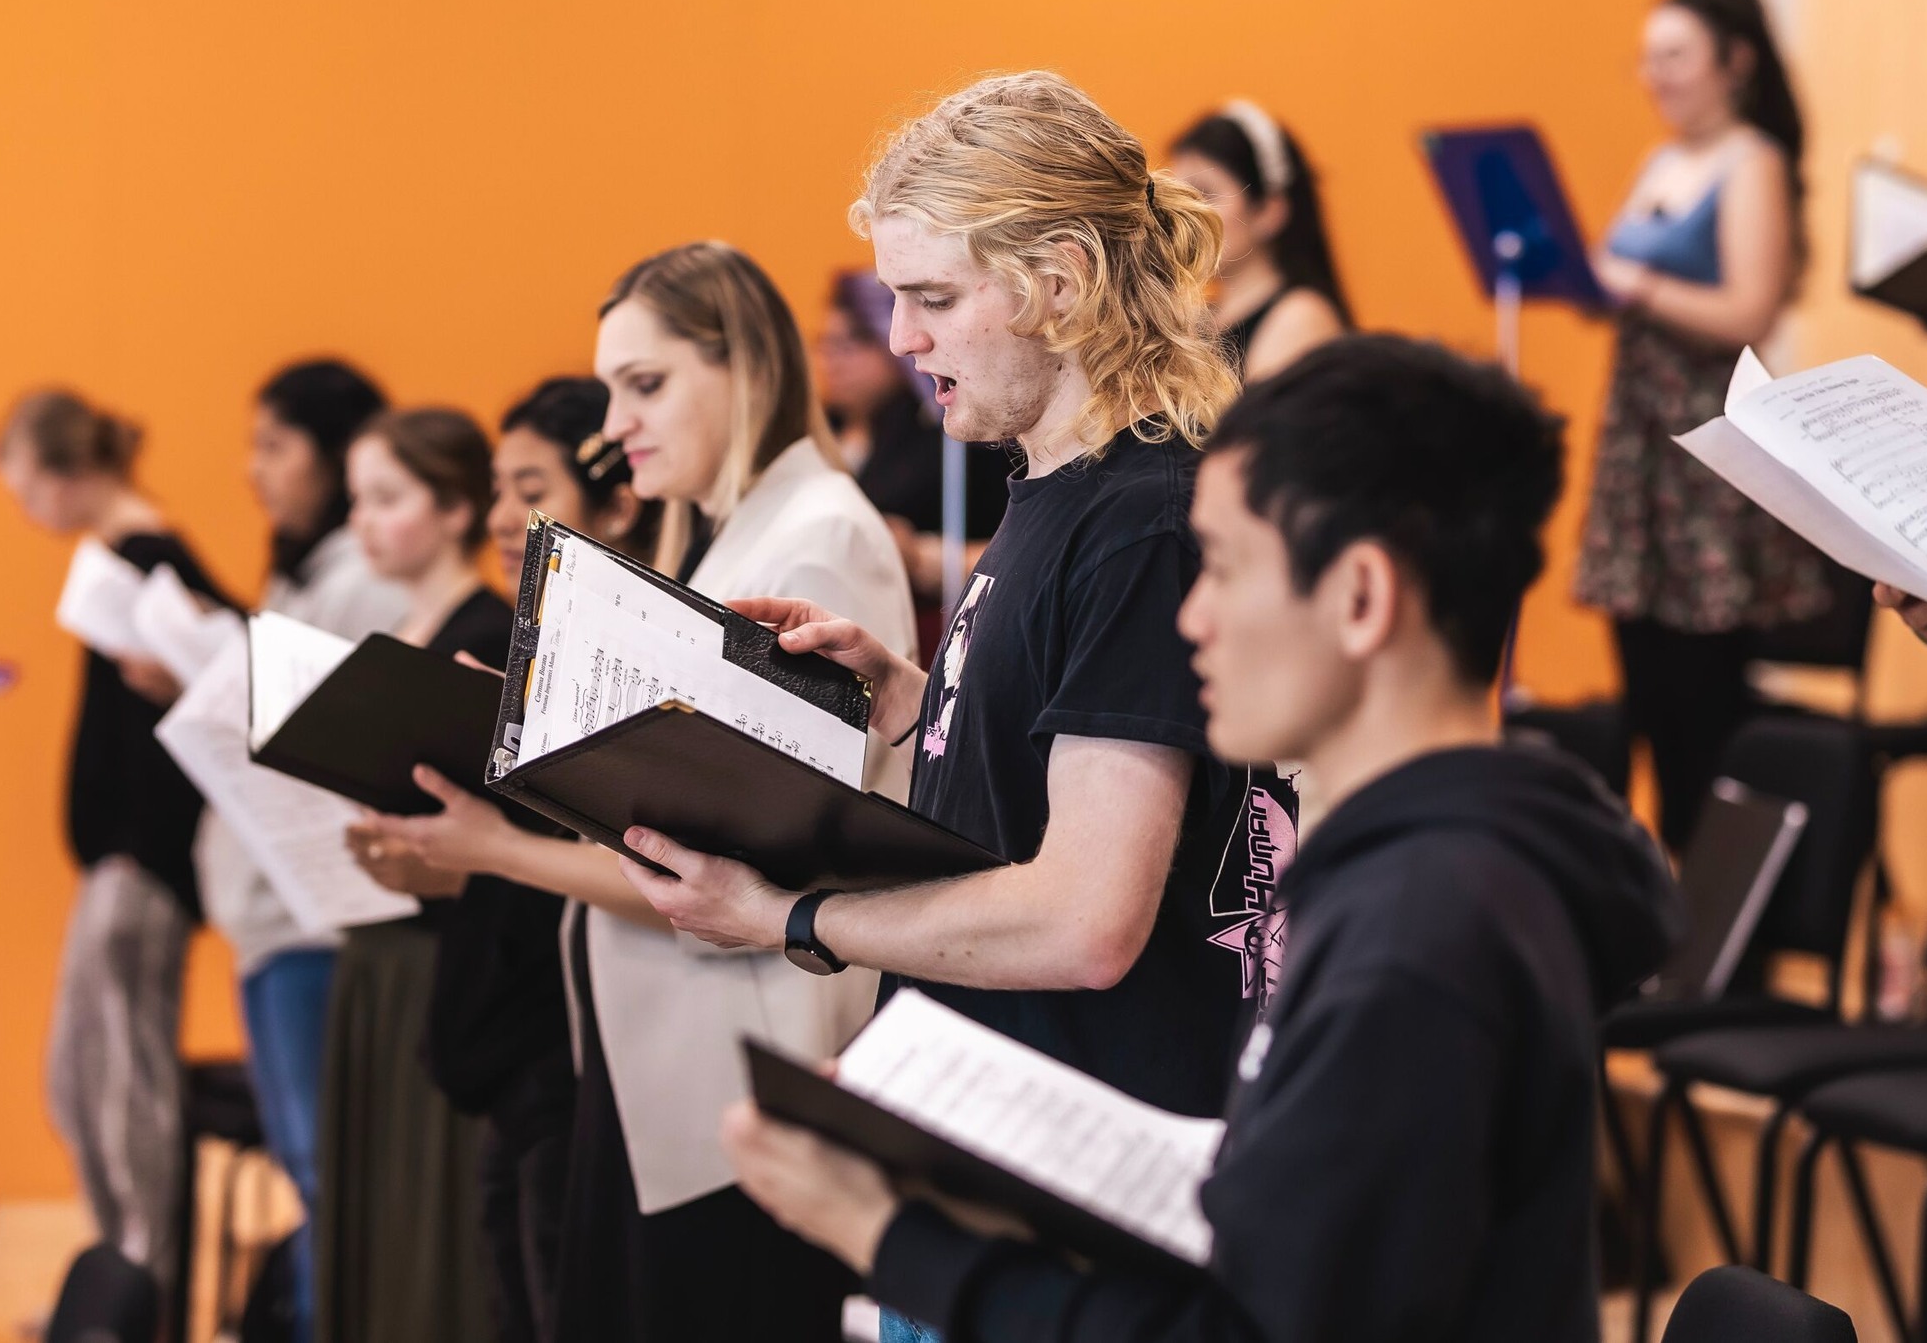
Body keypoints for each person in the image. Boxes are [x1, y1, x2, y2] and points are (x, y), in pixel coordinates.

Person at [718, 335, 1682, 1343]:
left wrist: (891, 1231)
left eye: (1219, 566)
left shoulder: (1420, 937)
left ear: (1359, 596)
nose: (1191, 617)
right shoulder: (1402, 873)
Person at [616, 73, 1263, 1342]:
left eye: (932, 298)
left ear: (1060, 282)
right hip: (994, 1160)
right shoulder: (1053, 486)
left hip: (1074, 1214)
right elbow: (1036, 794)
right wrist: (915, 706)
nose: (901, 341)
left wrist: (785, 916)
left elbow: (1085, 918)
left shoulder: (1142, 520)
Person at [353, 244, 917, 1343]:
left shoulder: (816, 535)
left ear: (744, 364)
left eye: (644, 384)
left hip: (743, 1080)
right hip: (669, 1069)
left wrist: (500, 839)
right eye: (610, 388)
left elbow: (748, 858)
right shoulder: (734, 535)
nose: (612, 425)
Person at [419, 377, 651, 1343]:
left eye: (533, 489)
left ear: (617, 500)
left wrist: (492, 848)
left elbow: (638, 872)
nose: (506, 518)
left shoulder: (635, 654)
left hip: (576, 1059)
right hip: (519, 1058)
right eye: (500, 491)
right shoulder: (537, 640)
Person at [1578, 0, 1829, 850]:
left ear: (1735, 62)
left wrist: (1637, 285)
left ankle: (1723, 941)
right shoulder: (1660, 162)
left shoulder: (1752, 163)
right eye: (1648, 58)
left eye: (1676, 56)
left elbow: (1750, 311)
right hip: (1640, 453)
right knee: (1646, 699)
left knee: (1702, 713)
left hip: (1706, 461)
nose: (1656, 76)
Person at [190, 358, 406, 1343]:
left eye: (274, 445)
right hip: (272, 915)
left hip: (313, 919)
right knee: (311, 1174)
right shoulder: (305, 565)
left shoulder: (359, 580)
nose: (254, 469)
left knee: (329, 1177)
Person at [0, 390, 228, 1288]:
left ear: (64, 474)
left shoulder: (150, 559)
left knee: (126, 1087)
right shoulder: (124, 560)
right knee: (79, 1080)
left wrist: (139, 847)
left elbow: (216, 676)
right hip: (119, 865)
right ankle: (121, 1275)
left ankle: (141, 1287)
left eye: (25, 491)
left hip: (141, 869)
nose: (27, 513)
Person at [315, 408, 508, 1343]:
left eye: (387, 498)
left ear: (456, 507)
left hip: (438, 953)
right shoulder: (402, 630)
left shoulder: (487, 632)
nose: (363, 521)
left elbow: (484, 823)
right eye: (356, 500)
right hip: (380, 947)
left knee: (430, 1226)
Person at [821, 269, 1011, 649]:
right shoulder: (828, 427)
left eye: (851, 344)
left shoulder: (947, 435)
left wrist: (918, 556)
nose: (831, 363)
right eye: (824, 344)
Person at [1168, 102, 1350, 379]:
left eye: (1205, 195)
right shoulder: (1196, 320)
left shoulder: (1300, 319)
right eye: (1177, 198)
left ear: (1268, 210)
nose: (1184, 215)